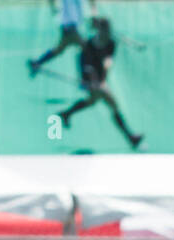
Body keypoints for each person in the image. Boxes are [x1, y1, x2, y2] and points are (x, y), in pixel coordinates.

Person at [59, 14, 144, 149]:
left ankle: (65, 114)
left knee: (92, 101)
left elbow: (108, 62)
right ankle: (131, 137)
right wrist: (88, 80)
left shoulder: (111, 43)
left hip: (100, 78)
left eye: (109, 30)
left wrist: (103, 79)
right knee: (112, 103)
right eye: (106, 30)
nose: (108, 33)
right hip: (89, 77)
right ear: (100, 30)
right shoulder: (89, 45)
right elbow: (85, 64)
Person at [28, 0, 87, 79]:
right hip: (70, 27)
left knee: (59, 49)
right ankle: (84, 78)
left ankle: (37, 63)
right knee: (86, 49)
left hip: (69, 27)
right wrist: (53, 6)